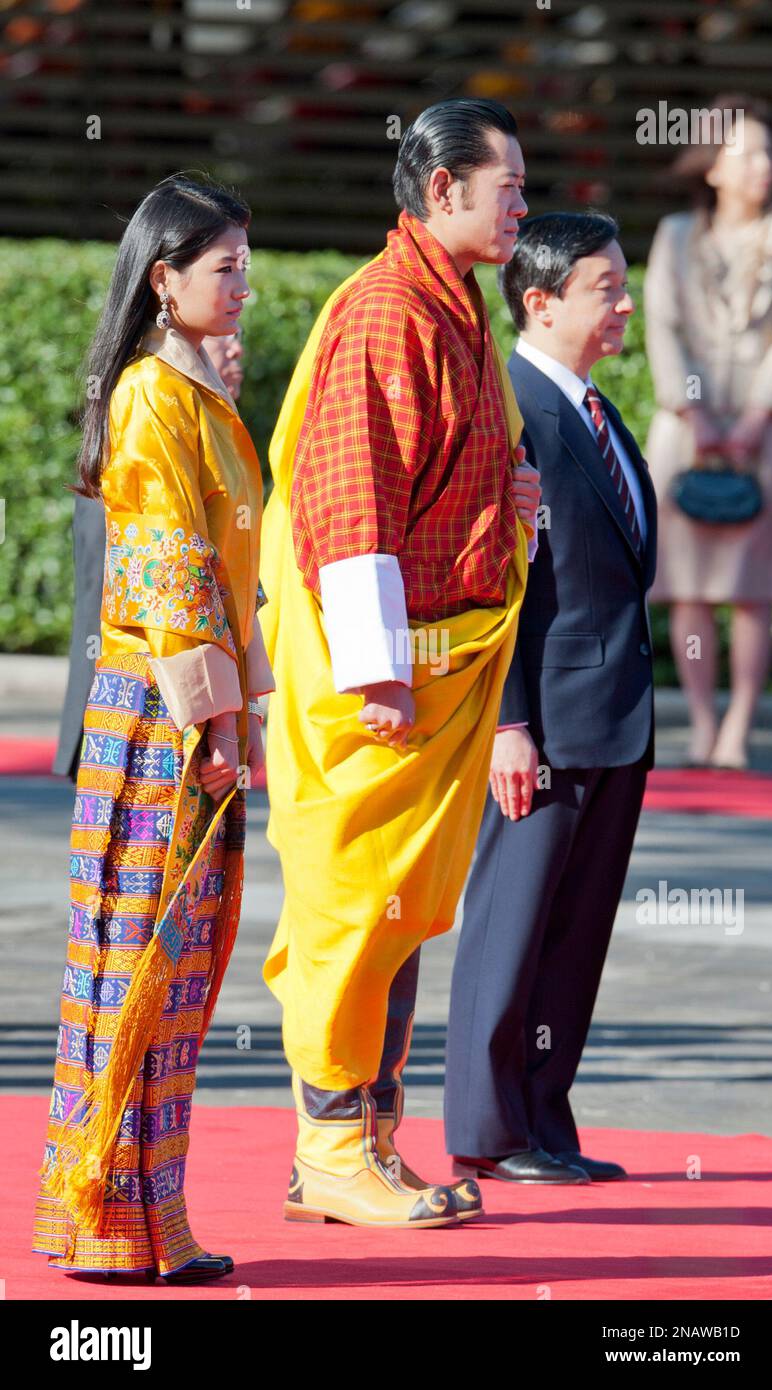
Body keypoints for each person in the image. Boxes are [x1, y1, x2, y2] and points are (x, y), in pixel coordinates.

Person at [258, 98, 540, 1227]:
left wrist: (510, 500)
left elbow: (447, 477)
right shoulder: (388, 310)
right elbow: (348, 499)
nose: (521, 207)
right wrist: (374, 670)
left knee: (398, 909)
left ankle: (366, 1140)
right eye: (508, 187)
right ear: (442, 191)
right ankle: (332, 1147)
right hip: (388, 674)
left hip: (434, 659)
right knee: (355, 906)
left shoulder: (450, 303)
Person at [33, 174, 274, 1283]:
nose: (244, 284)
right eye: (227, 266)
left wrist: (237, 707)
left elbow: (230, 573)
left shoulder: (194, 391)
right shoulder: (149, 396)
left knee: (171, 968)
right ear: (165, 281)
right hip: (159, 718)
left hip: (190, 708)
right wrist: (216, 718)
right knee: (138, 960)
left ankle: (139, 1217)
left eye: (244, 263)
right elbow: (171, 574)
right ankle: (108, 1216)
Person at [444, 212, 657, 1185]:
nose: (625, 305)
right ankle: (489, 1129)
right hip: (543, 721)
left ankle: (542, 1119)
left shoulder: (591, 407)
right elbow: (497, 584)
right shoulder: (514, 406)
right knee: (511, 925)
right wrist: (509, 721)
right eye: (605, 288)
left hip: (612, 717)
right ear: (539, 302)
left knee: (572, 936)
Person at [644, 93, 772, 768]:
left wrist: (759, 412)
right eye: (747, 154)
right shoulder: (675, 234)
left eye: (769, 153)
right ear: (713, 167)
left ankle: (739, 729)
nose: (764, 166)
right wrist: (695, 410)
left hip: (768, 428)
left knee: (754, 587)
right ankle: (703, 724)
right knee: (689, 584)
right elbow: (662, 326)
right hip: (687, 429)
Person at [53, 331, 246, 782]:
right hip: (156, 693)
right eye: (226, 338)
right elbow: (170, 579)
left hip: (207, 690)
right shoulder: (149, 397)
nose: (237, 349)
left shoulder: (218, 426)